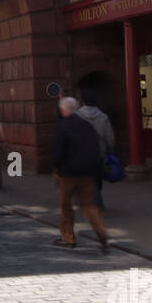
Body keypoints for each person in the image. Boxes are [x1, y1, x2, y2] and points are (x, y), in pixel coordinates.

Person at [52, 96, 108, 251]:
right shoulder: (86, 125)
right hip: (87, 173)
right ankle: (101, 234)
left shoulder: (62, 126)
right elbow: (95, 148)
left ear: (63, 110)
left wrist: (57, 167)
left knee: (66, 207)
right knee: (89, 205)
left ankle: (68, 238)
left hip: (67, 174)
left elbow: (58, 151)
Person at [78, 88, 116, 211]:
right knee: (97, 180)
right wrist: (111, 149)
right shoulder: (103, 117)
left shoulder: (77, 116)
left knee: (85, 179)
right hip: (99, 153)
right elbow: (110, 137)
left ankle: (94, 204)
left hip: (82, 154)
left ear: (82, 101)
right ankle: (95, 201)